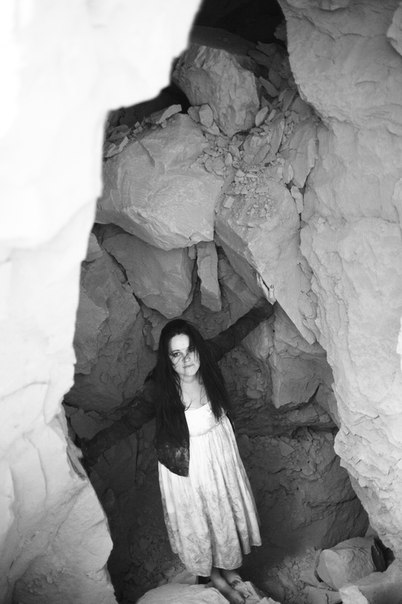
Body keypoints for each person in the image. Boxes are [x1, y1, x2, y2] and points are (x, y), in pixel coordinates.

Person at [81, 298, 275, 604]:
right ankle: (214, 577)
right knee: (202, 518)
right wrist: (90, 450)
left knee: (224, 510)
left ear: (198, 348)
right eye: (176, 354)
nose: (186, 360)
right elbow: (128, 423)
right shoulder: (159, 390)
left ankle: (228, 569)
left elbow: (234, 334)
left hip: (220, 455)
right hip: (188, 467)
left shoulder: (207, 358)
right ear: (168, 360)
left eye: (189, 350)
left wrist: (263, 309)